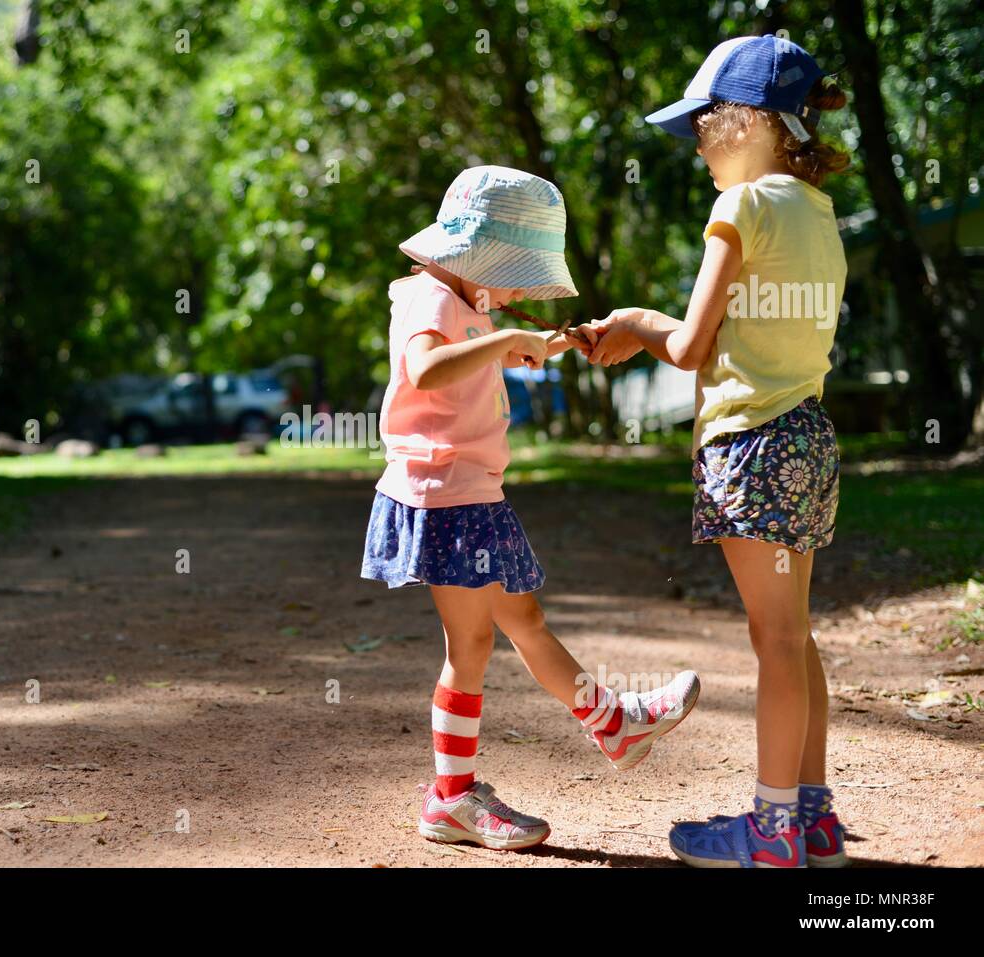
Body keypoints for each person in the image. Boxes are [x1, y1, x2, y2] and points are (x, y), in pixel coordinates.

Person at [362, 165, 701, 851]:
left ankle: (613, 723)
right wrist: (499, 340)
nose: (519, 292)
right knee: (474, 644)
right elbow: (426, 369)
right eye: (516, 274)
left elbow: (477, 359)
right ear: (479, 254)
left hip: (472, 493)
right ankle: (452, 798)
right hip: (445, 496)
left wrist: (548, 342)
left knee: (522, 619)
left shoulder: (467, 305)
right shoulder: (427, 298)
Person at [583, 36, 850, 867]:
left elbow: (694, 345)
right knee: (795, 637)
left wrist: (632, 322)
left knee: (774, 642)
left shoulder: (740, 210)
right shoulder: (819, 212)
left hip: (754, 445)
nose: (697, 146)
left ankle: (770, 836)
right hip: (809, 437)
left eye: (702, 127)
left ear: (745, 125)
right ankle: (812, 820)